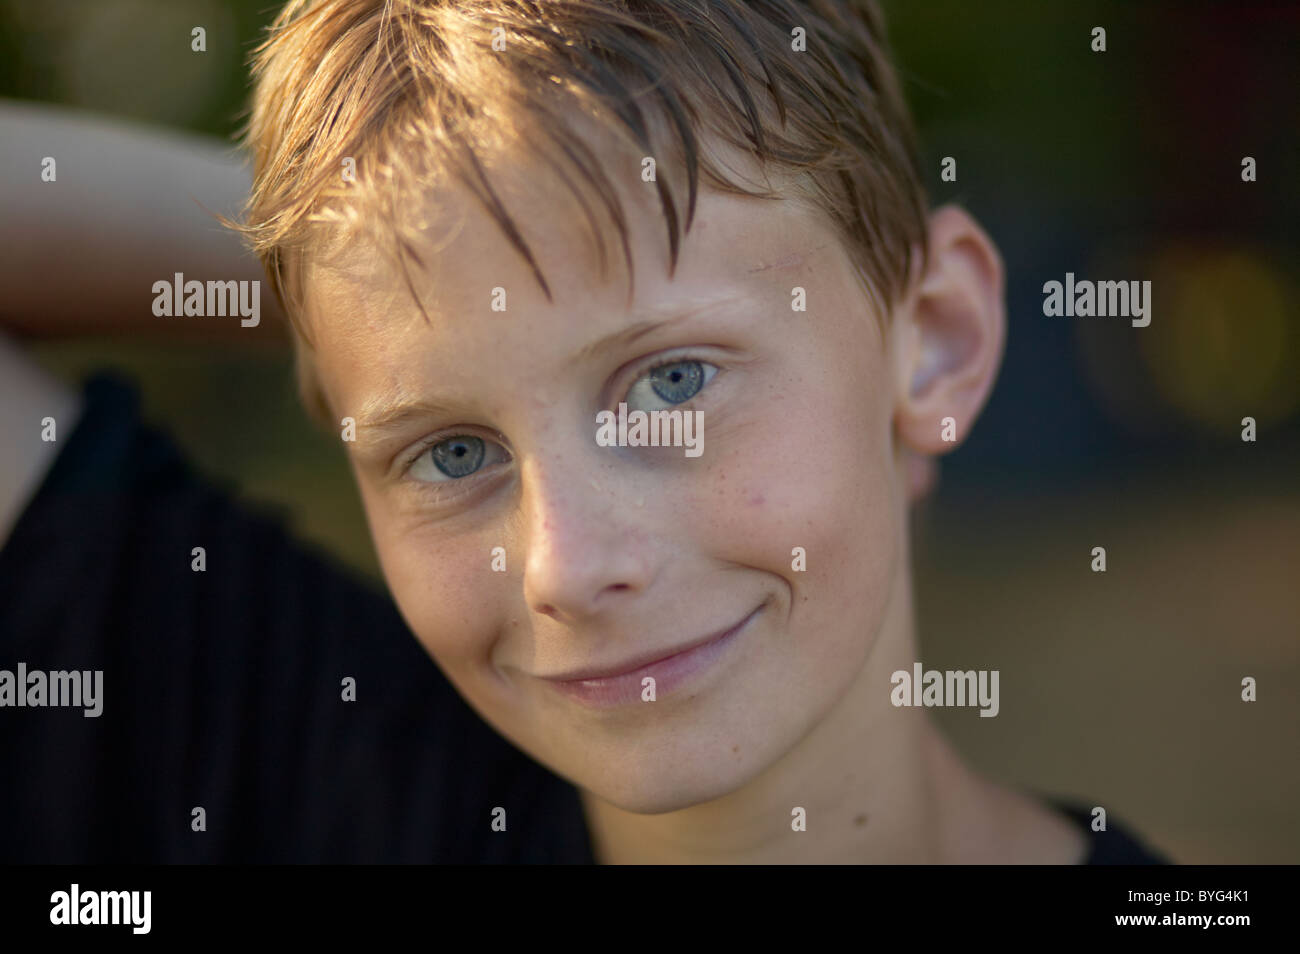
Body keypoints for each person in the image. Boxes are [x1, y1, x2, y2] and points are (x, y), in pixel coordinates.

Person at [0, 0, 1168, 864]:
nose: (567, 566)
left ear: (939, 339)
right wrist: (357, 269)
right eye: (451, 451)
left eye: (670, 384)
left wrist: (466, 251)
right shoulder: (307, 777)